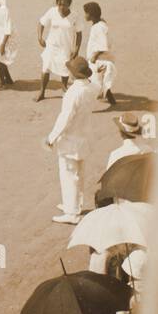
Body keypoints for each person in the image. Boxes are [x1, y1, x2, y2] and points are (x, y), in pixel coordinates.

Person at [46, 56, 96, 224]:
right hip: (84, 136)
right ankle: (75, 205)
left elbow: (65, 118)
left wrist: (52, 137)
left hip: (71, 139)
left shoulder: (73, 92)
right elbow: (96, 81)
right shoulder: (92, 87)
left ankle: (72, 212)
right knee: (78, 174)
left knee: (68, 175)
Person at [36, 0, 81, 102]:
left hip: (66, 47)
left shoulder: (75, 16)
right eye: (59, 4)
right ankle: (42, 92)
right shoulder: (52, 11)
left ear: (69, 4)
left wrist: (76, 49)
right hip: (51, 46)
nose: (61, 7)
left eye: (64, 4)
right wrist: (40, 38)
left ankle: (64, 88)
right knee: (46, 68)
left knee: (65, 70)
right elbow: (41, 23)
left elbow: (79, 33)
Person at [84, 1, 117, 106]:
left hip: (99, 59)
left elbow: (104, 44)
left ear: (92, 15)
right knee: (101, 79)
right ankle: (109, 97)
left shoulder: (99, 28)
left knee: (95, 80)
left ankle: (91, 101)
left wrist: (95, 55)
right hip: (100, 59)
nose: (85, 15)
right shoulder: (99, 24)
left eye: (86, 13)